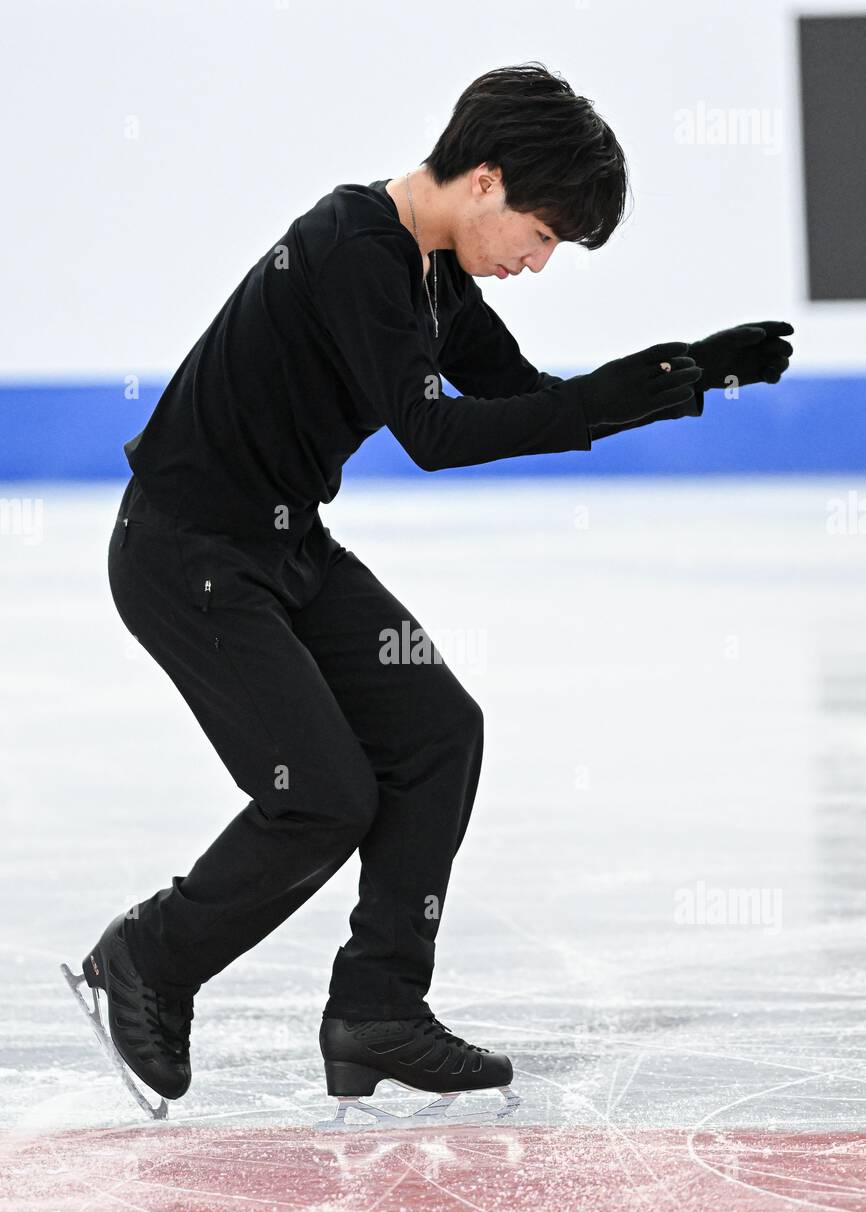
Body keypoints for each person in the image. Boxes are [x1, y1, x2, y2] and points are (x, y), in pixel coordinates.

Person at [78, 61, 793, 1110]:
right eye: (542, 236)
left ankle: (376, 1004)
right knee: (319, 797)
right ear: (487, 182)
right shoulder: (354, 245)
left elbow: (520, 397)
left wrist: (678, 372)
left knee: (436, 728)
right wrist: (639, 390)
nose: (536, 264)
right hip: (184, 550)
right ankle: (146, 957)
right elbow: (435, 434)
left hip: (281, 547)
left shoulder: (434, 274)